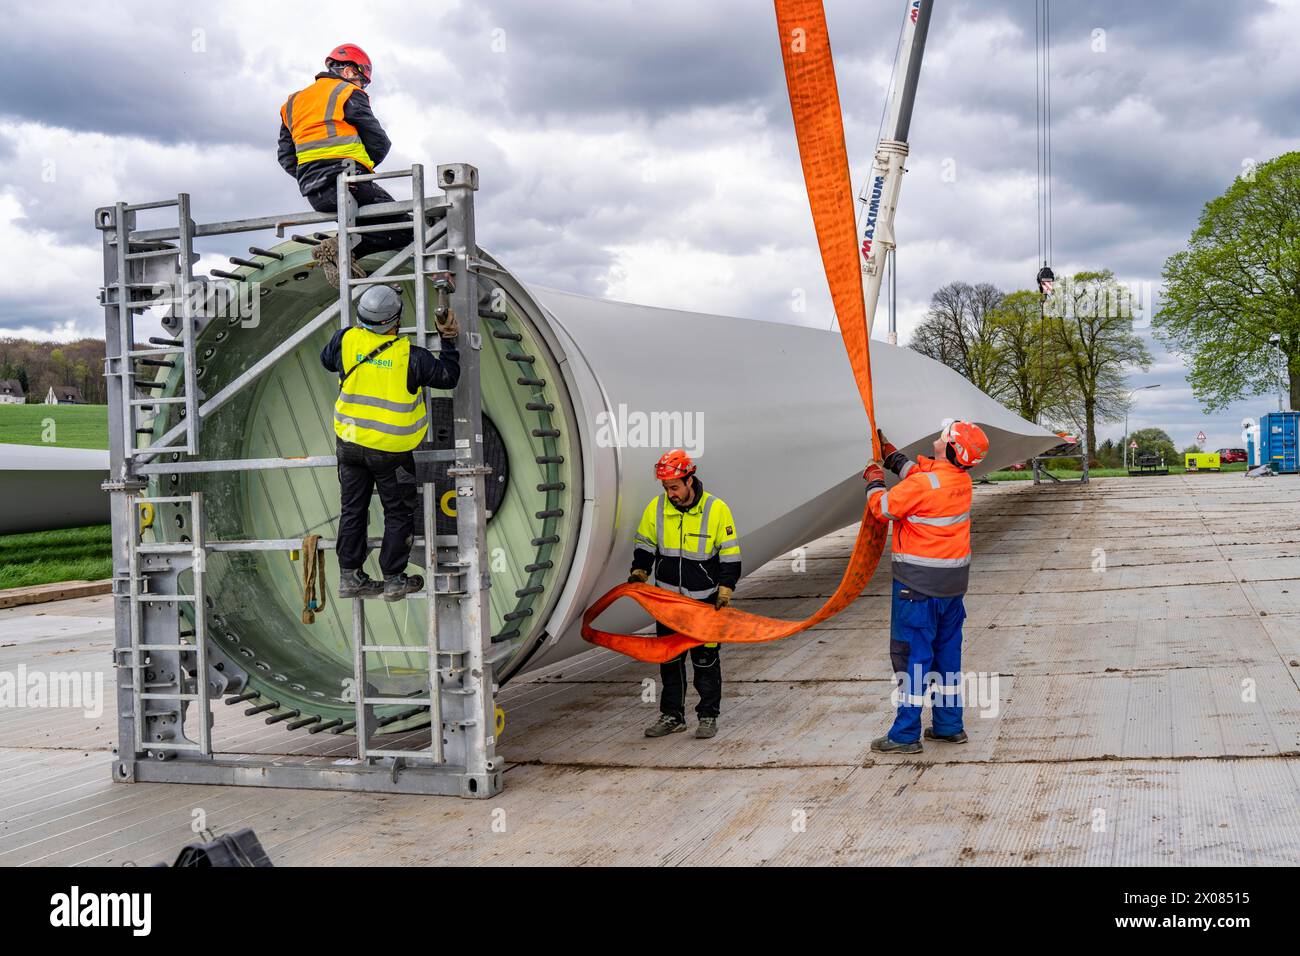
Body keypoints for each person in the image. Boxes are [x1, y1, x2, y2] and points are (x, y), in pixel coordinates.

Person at [320, 284, 460, 600]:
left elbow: (327, 361)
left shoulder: (345, 340)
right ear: (395, 321)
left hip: (350, 444)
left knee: (352, 508)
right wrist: (448, 340)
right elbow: (449, 377)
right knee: (397, 511)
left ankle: (349, 576)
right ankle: (394, 578)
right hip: (391, 453)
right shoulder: (411, 357)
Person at [863, 420, 990, 754]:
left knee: (911, 660)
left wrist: (875, 481)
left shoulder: (924, 485)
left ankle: (905, 735)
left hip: (916, 589)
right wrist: (893, 457)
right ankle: (949, 727)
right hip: (951, 590)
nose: (939, 437)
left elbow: (883, 508)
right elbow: (923, 479)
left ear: (949, 449)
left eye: (944, 436)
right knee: (946, 658)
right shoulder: (960, 480)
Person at [630, 449, 742, 740]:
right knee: (669, 660)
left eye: (675, 487)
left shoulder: (716, 509)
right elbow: (645, 545)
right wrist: (640, 572)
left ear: (690, 480)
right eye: (666, 488)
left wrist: (726, 588)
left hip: (704, 603)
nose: (671, 494)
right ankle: (672, 716)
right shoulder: (657, 508)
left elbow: (730, 555)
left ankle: (707, 716)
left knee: (705, 660)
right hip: (667, 603)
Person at [278, 44, 411, 287]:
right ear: (350, 71)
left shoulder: (292, 103)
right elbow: (379, 142)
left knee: (371, 227)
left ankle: (342, 249)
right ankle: (341, 247)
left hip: (315, 192)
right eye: (362, 80)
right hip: (350, 182)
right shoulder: (346, 92)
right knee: (406, 229)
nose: (361, 86)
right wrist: (364, 168)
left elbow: (286, 157)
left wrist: (310, 175)